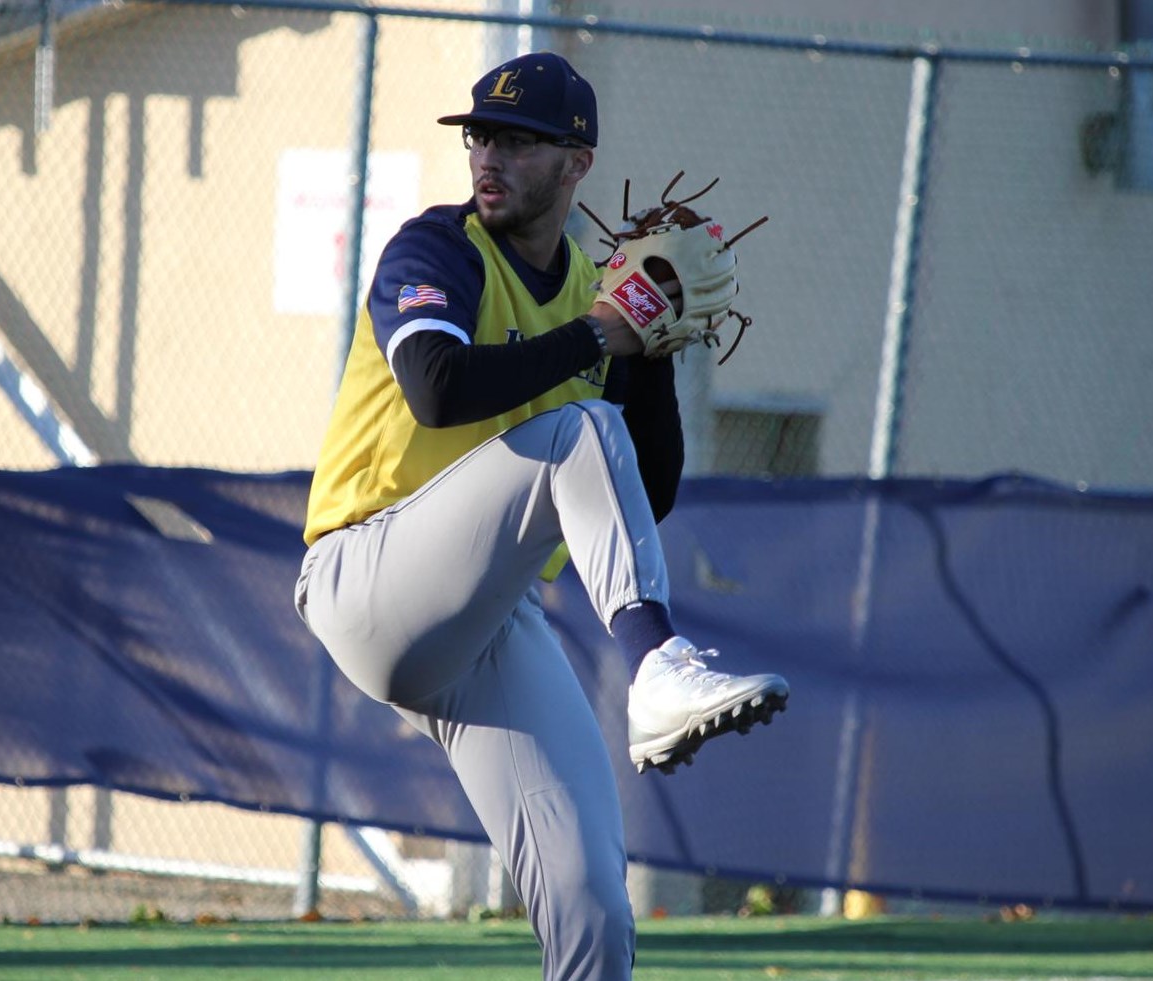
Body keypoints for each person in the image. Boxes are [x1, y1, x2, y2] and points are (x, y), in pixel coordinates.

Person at [293, 51, 789, 981]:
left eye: (521, 142)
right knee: (578, 427)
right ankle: (656, 666)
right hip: (365, 574)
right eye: (482, 134)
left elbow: (652, 487)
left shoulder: (589, 292)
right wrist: (599, 334)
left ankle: (654, 677)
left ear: (576, 163)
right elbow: (436, 390)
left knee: (592, 900)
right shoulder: (437, 249)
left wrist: (649, 354)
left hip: (486, 618)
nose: (490, 156)